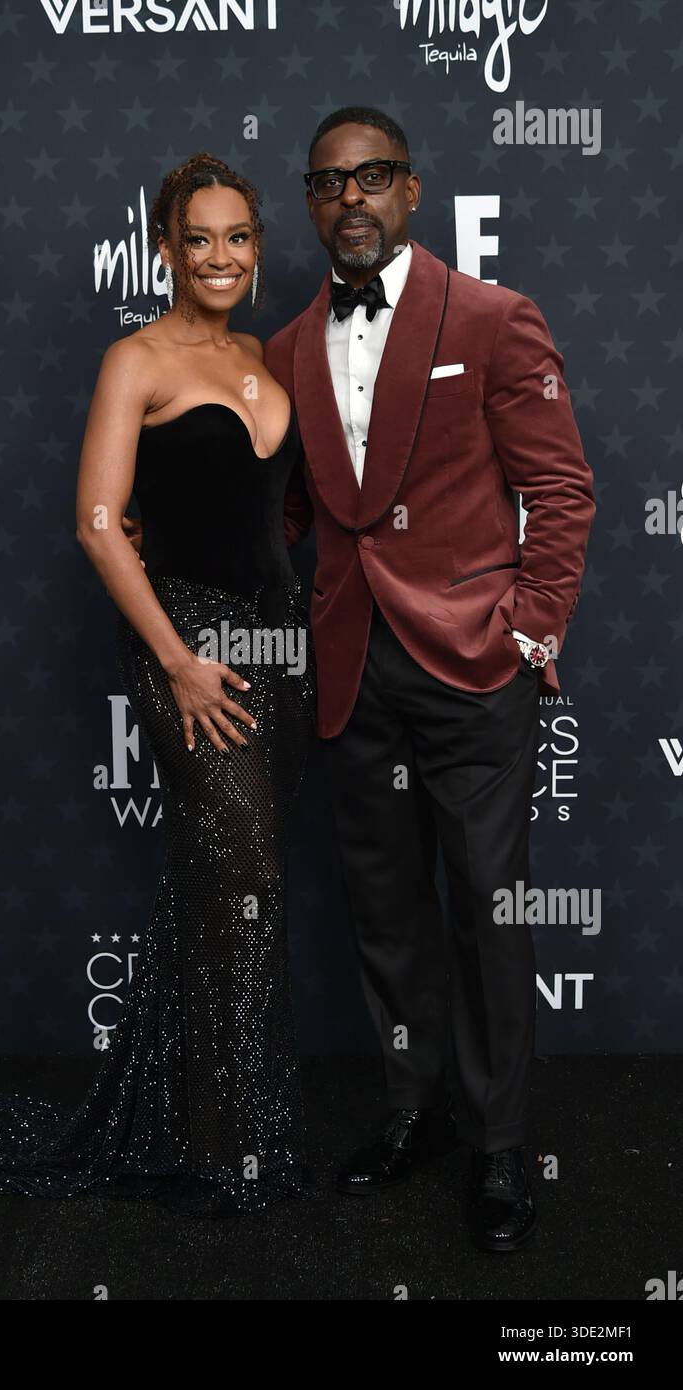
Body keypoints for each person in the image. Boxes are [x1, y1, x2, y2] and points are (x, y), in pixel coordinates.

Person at [0, 153, 316, 1219]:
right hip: (185, 640)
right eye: (196, 238)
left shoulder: (262, 356)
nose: (219, 256)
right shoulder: (134, 360)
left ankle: (192, 1116)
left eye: (237, 236)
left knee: (218, 886)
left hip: (279, 645)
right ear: (163, 246)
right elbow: (98, 527)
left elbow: (273, 513)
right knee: (242, 882)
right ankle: (225, 1152)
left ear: (257, 245)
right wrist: (177, 659)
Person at [264, 106, 596, 1251]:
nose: (349, 199)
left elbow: (559, 492)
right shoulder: (289, 348)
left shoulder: (493, 320)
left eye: (371, 177)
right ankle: (418, 1116)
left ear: (411, 191)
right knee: (387, 917)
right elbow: (301, 512)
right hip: (352, 668)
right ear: (309, 205)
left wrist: (527, 634)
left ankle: (500, 1145)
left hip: (470, 667)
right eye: (326, 182)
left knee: (488, 918)